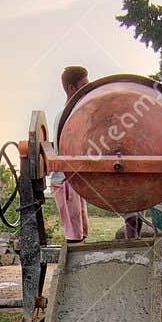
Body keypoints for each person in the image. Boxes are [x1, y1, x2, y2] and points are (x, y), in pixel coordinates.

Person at [51, 65, 89, 242]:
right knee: (74, 236)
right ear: (71, 88)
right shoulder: (65, 116)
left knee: (82, 233)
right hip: (65, 179)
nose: (87, 90)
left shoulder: (79, 113)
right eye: (84, 86)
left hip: (76, 179)